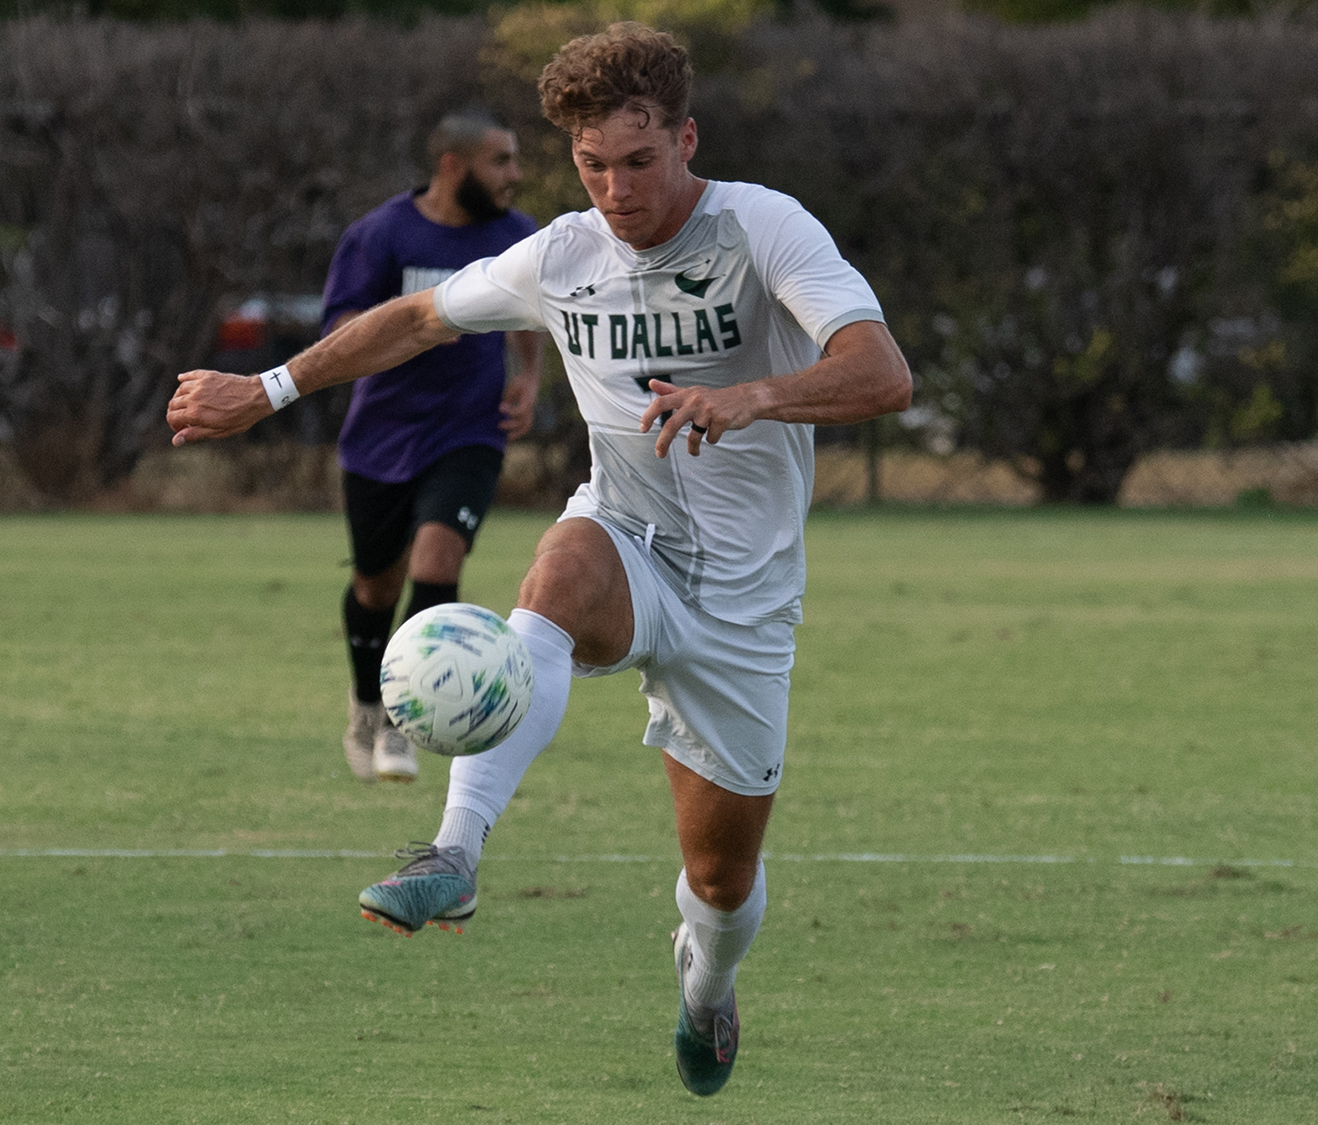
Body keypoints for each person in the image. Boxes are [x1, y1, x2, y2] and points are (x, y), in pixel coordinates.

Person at [168, 23, 911, 1096]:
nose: (615, 190)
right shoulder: (561, 255)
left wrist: (750, 395)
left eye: (639, 161)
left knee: (718, 878)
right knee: (553, 578)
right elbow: (419, 319)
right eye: (591, 165)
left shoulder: (762, 229)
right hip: (628, 540)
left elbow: (879, 373)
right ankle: (453, 855)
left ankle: (704, 992)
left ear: (685, 139)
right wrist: (268, 390)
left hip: (745, 603)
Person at [323, 110, 544, 785]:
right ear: (454, 165)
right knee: (375, 585)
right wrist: (415, 322)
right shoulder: (383, 234)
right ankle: (366, 705)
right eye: (500, 160)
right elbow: (338, 324)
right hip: (381, 438)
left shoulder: (518, 237)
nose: (514, 174)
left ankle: (402, 718)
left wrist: (527, 375)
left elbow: (535, 309)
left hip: (469, 430)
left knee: (438, 554)